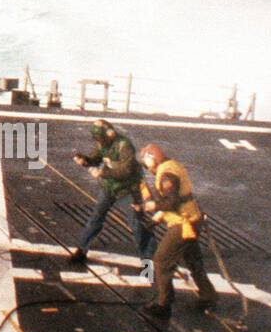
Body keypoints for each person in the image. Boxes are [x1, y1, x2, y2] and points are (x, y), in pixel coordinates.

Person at [136, 142, 219, 320]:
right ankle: (208, 295)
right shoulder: (172, 166)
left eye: (146, 160)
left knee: (161, 261)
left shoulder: (166, 174)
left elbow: (172, 201)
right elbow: (178, 199)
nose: (146, 165)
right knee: (193, 261)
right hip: (191, 220)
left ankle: (163, 303)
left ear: (152, 158)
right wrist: (157, 218)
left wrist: (153, 206)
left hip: (183, 224)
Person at [68, 119, 152, 265]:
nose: (98, 142)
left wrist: (102, 173)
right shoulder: (103, 143)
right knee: (96, 217)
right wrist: (85, 160)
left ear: (109, 135)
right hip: (109, 188)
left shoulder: (124, 146)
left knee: (137, 225)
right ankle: (82, 249)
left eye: (100, 139)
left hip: (128, 190)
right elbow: (96, 158)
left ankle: (147, 262)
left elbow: (126, 171)